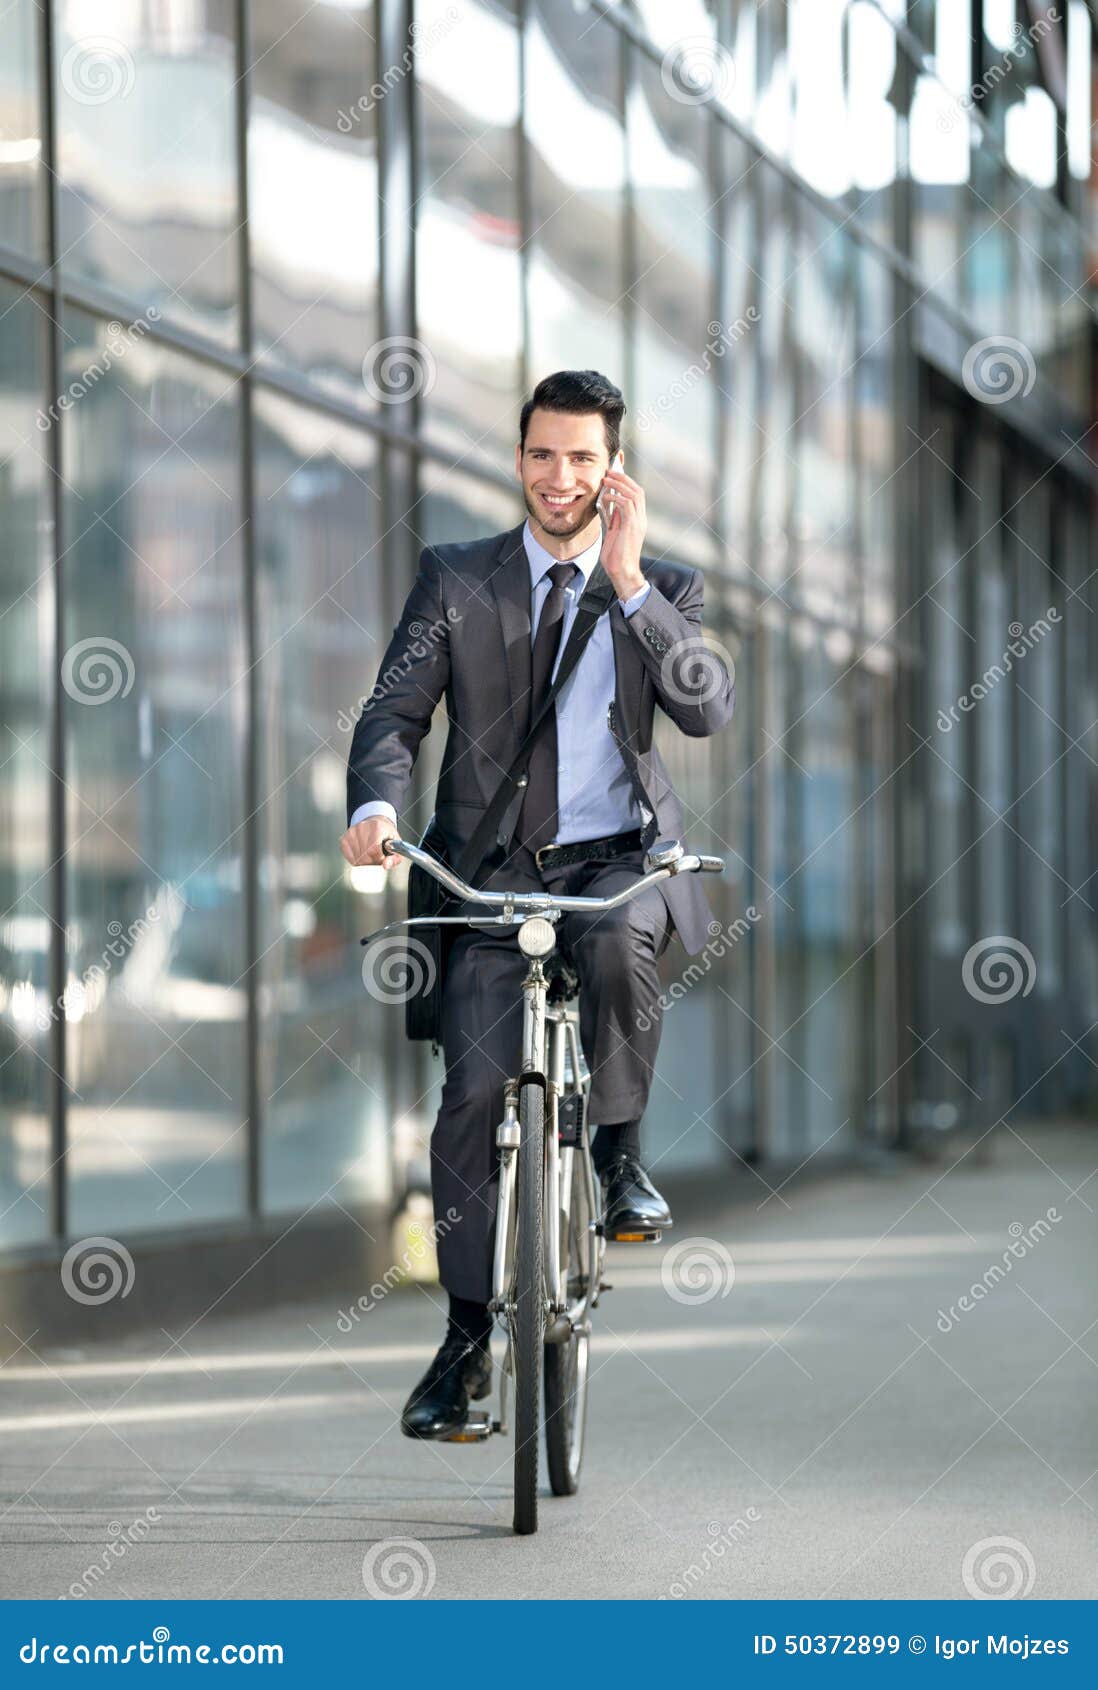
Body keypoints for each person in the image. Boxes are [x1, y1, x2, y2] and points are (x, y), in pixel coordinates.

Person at [340, 370, 735, 1438]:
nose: (561, 477)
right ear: (519, 460)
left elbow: (704, 707)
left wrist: (630, 580)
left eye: (583, 458)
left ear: (614, 472)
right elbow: (394, 713)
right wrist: (378, 805)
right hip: (489, 876)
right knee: (471, 1091)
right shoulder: (456, 580)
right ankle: (466, 1339)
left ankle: (617, 1156)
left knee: (614, 947)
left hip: (615, 866)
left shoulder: (663, 589)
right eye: (543, 455)